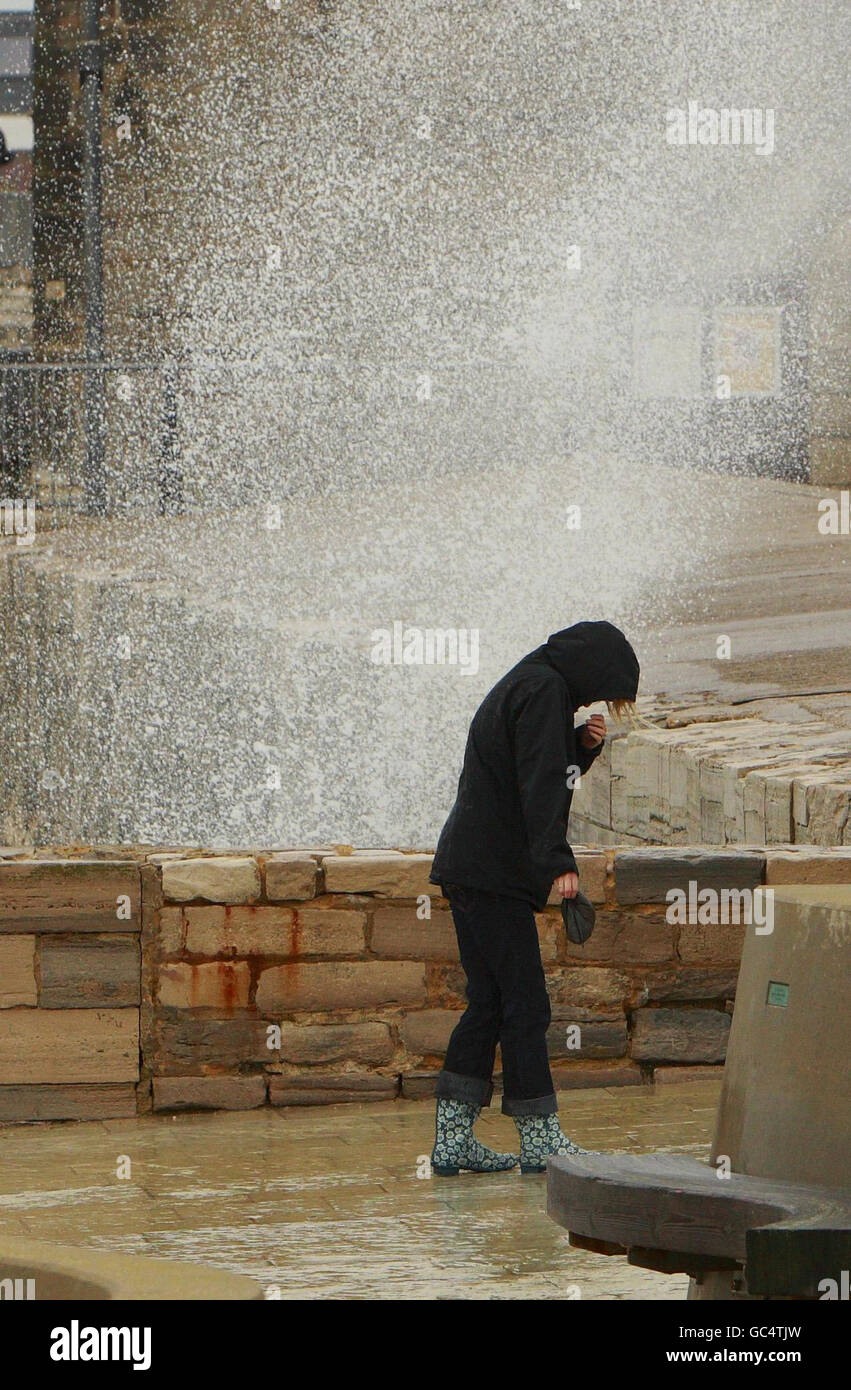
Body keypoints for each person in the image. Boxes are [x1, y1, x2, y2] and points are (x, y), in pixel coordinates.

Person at [429, 620, 640, 1175]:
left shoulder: (528, 681)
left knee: (489, 1003)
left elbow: (529, 765)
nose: (596, 700)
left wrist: (578, 748)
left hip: (468, 867)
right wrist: (558, 864)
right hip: (495, 873)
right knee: (526, 1005)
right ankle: (540, 1140)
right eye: (602, 689)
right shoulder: (546, 691)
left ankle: (452, 1143)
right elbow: (540, 782)